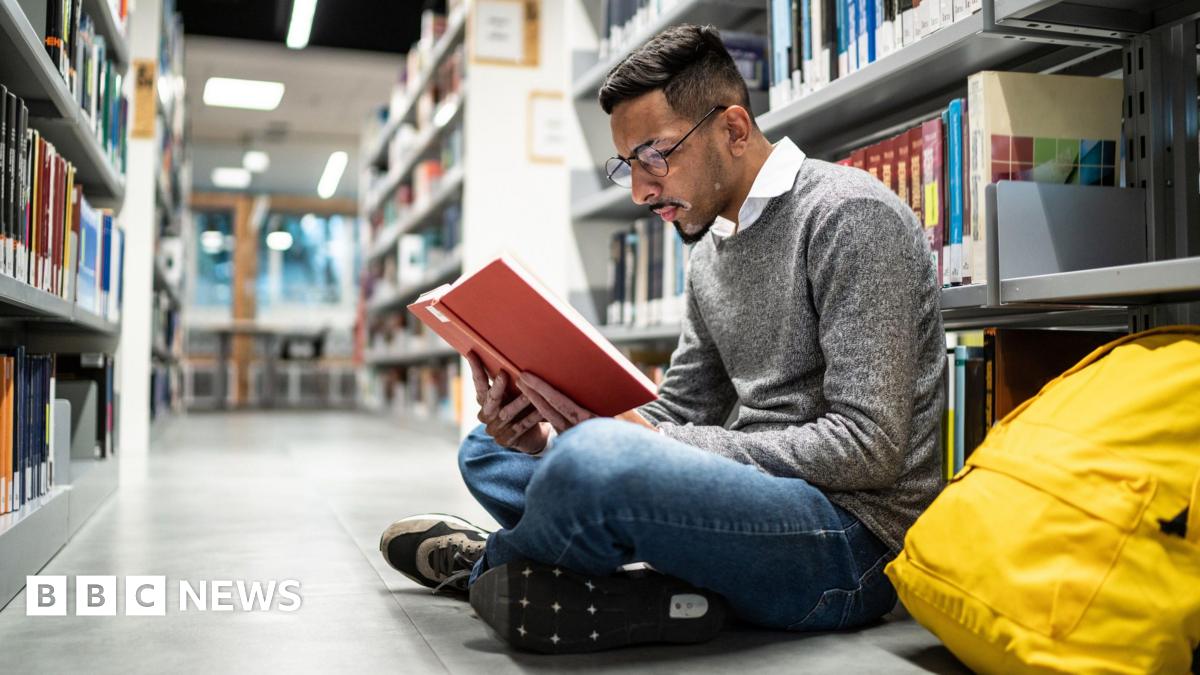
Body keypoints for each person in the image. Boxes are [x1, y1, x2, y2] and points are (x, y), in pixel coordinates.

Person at [379, 23, 945, 654]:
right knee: (489, 449)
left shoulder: (849, 216)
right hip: (748, 503)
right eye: (627, 164)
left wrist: (650, 444)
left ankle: (492, 566)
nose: (643, 189)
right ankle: (619, 569)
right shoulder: (710, 249)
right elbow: (681, 408)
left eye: (656, 153)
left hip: (847, 543)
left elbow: (870, 448)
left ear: (732, 129)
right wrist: (544, 429)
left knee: (595, 463)